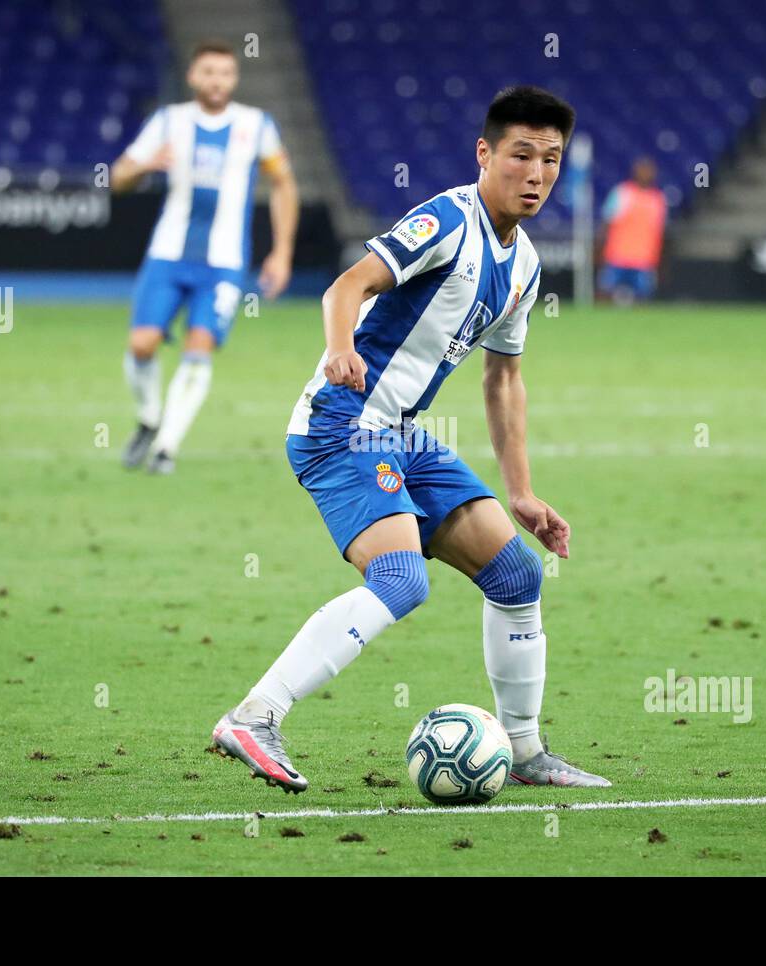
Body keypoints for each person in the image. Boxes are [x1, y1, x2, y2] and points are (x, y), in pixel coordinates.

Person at [210, 85, 610, 792]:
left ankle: (522, 751)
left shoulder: (523, 265)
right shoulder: (446, 221)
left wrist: (520, 490)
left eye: (551, 159)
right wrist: (340, 350)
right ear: (485, 154)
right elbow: (347, 286)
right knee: (401, 579)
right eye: (522, 155)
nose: (537, 174)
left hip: (401, 433)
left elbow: (503, 381)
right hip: (341, 426)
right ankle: (254, 716)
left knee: (516, 575)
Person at [111, 40, 299, 474]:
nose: (217, 81)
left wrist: (282, 251)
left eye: (225, 73)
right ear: (193, 76)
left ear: (235, 78)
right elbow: (116, 178)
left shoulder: (256, 125)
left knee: (200, 346)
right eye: (208, 72)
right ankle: (149, 418)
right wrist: (143, 166)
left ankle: (165, 448)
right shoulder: (168, 121)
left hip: (225, 263)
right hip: (168, 255)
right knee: (141, 344)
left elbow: (284, 184)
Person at [597, 157, 666, 304]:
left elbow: (659, 233)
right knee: (605, 294)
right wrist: (600, 251)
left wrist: (659, 262)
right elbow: (606, 223)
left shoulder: (658, 199)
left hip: (644, 260)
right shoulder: (622, 193)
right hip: (617, 256)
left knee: (643, 299)